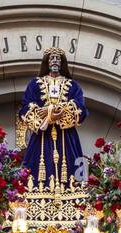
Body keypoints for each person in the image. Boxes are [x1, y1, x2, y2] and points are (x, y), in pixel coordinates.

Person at [18, 48, 87, 189]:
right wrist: (48, 116)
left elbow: (81, 109)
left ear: (62, 63)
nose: (55, 61)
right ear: (47, 62)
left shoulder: (74, 86)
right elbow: (25, 109)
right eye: (52, 58)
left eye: (57, 58)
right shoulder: (35, 84)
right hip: (41, 138)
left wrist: (57, 112)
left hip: (67, 137)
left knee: (77, 176)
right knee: (33, 176)